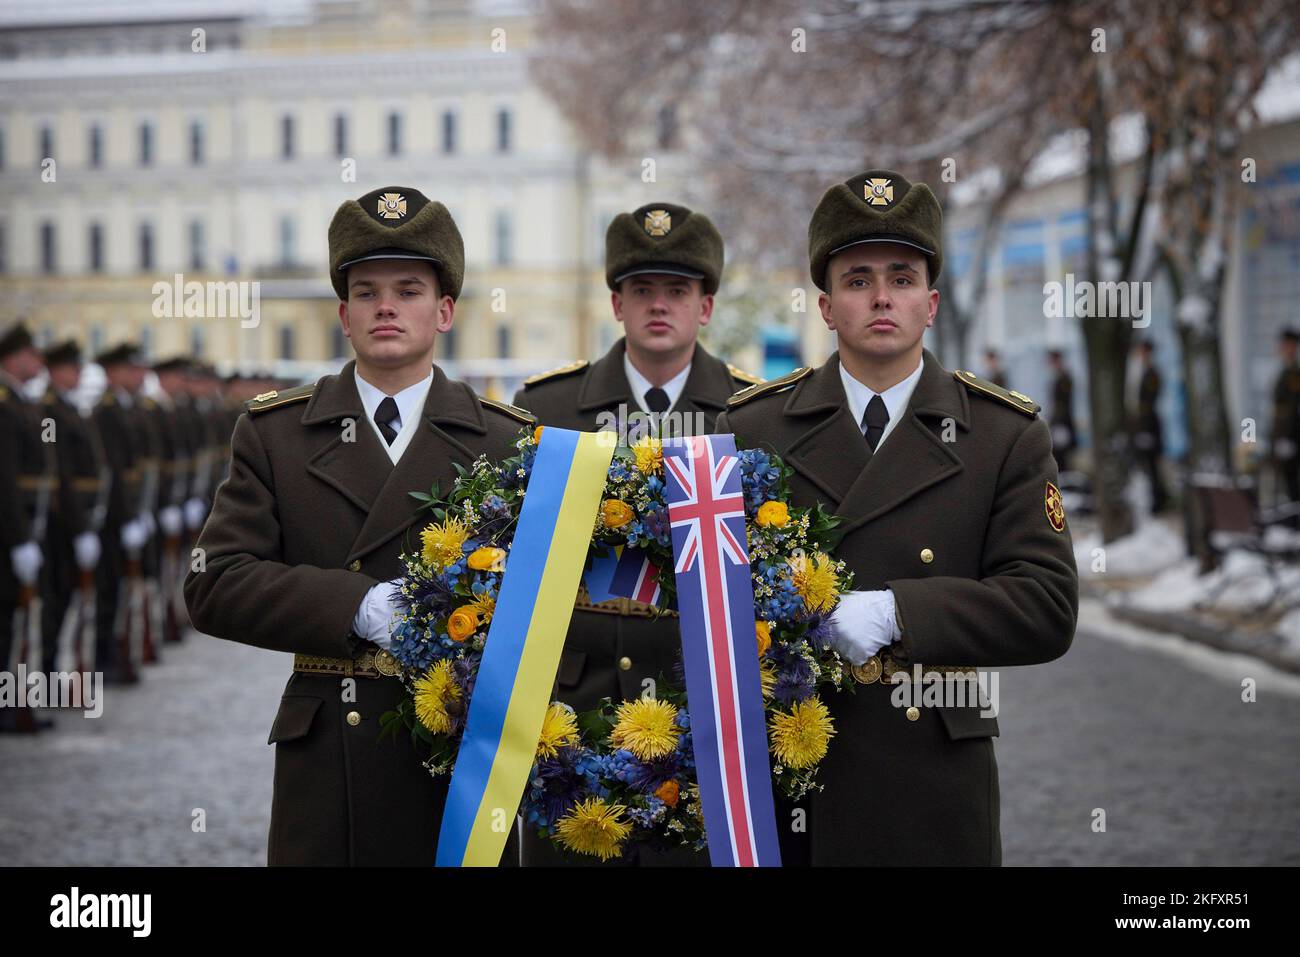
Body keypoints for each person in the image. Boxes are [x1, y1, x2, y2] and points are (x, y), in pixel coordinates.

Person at [715, 168, 1079, 865]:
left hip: (931, 780)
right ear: (825, 307)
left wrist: (896, 612)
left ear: (932, 301)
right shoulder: (754, 424)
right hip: (792, 774)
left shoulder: (1002, 434)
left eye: (902, 277)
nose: (882, 297)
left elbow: (1046, 605)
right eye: (857, 279)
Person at [184, 186, 532, 866]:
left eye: (408, 289)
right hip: (329, 763)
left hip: (460, 754)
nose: (387, 307)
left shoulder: (507, 439)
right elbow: (214, 582)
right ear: (343, 314)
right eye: (367, 292)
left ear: (446, 311)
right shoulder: (276, 434)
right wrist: (360, 606)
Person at [512, 201, 759, 866]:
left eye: (678, 290)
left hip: (701, 712)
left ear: (706, 306)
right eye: (641, 290)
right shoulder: (548, 410)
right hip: (571, 709)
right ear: (615, 303)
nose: (659, 306)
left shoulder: (753, 413)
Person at [0, 322, 56, 733]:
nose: (39, 363)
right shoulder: (4, 403)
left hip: (25, 529)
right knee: (6, 621)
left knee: (17, 619)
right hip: (7, 532)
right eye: (33, 355)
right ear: (14, 358)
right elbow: (5, 478)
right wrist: (19, 539)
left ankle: (15, 702)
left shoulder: (21, 401)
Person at [1125, 339, 1167, 513]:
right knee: (1142, 465)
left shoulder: (1152, 374)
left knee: (1152, 466)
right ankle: (1149, 500)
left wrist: (1144, 428)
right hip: (1140, 425)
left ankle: (1158, 500)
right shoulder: (1141, 373)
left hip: (1148, 426)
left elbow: (1149, 402)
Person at [1270, 328, 1300, 510]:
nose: (1284, 348)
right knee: (1286, 483)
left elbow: (1294, 407)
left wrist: (1288, 438)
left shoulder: (1294, 373)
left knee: (1292, 483)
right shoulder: (1285, 370)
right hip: (1282, 433)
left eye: (1288, 344)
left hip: (1292, 435)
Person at [1047, 349, 1076, 475]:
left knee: (1062, 455)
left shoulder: (1064, 378)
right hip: (1058, 422)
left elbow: (1063, 404)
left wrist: (1058, 422)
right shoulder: (1058, 378)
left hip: (1063, 422)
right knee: (1058, 455)